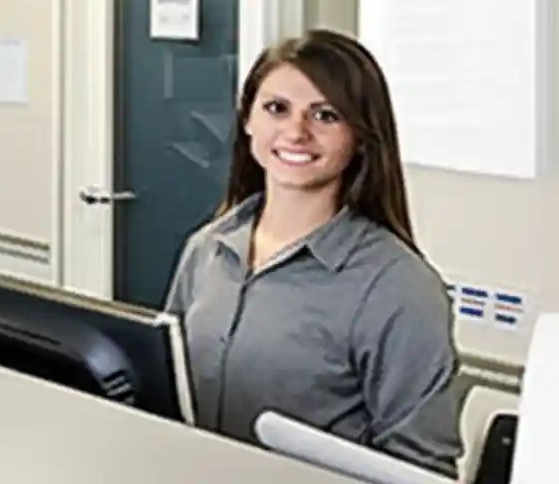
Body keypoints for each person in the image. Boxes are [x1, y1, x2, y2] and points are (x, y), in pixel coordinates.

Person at [164, 29, 463, 478]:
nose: (296, 132)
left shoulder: (398, 287)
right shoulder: (207, 248)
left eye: (325, 115)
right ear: (247, 120)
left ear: (361, 136)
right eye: (276, 109)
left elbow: (423, 471)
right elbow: (165, 392)